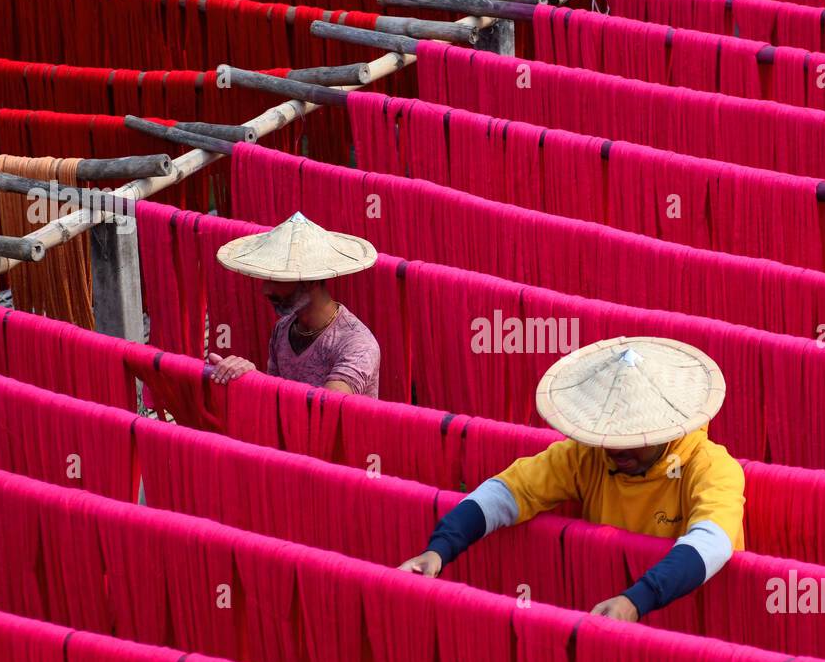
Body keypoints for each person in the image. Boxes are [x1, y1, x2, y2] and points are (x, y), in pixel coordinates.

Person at [398, 337, 745, 621]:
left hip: (690, 621)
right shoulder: (587, 456)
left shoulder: (711, 467)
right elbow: (510, 491)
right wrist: (439, 550)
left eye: (629, 438)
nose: (614, 449)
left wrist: (635, 600)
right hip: (607, 614)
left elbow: (710, 543)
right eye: (608, 436)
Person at [207, 212, 381, 397]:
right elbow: (272, 395)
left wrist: (255, 379)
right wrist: (246, 378)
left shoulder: (357, 345)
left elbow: (327, 410)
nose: (265, 290)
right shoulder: (283, 328)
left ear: (310, 282)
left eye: (276, 280)